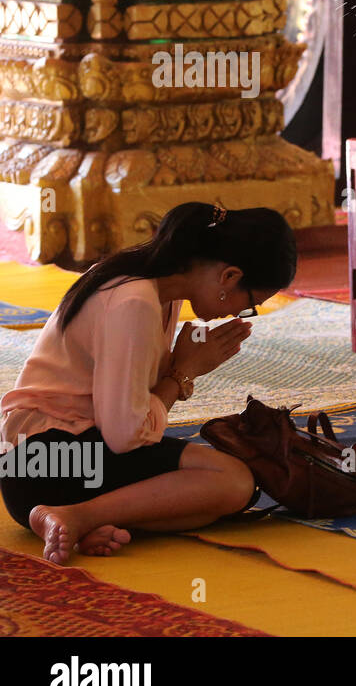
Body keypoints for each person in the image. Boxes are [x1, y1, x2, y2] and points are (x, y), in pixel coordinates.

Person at [0, 202, 296, 564]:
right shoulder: (134, 302)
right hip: (50, 461)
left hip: (42, 464)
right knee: (233, 482)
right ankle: (76, 516)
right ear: (230, 276)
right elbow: (126, 437)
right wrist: (182, 373)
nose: (238, 314)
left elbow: (131, 411)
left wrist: (179, 366)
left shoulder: (152, 287)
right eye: (250, 304)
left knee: (207, 506)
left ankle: (83, 521)